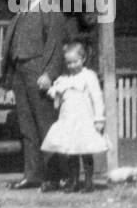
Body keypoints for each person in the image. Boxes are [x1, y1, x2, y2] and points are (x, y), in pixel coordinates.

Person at [1, 0, 68, 190]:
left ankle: (53, 176)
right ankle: (33, 175)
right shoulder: (19, 14)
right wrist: (9, 83)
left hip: (39, 74)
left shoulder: (50, 10)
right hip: (20, 75)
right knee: (27, 128)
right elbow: (11, 51)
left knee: (46, 125)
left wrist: (49, 74)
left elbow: (55, 45)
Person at [41, 39, 108, 192]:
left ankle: (89, 182)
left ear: (83, 59)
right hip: (68, 120)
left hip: (83, 120)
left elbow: (97, 97)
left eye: (75, 62)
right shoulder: (64, 79)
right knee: (71, 152)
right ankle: (73, 181)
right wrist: (50, 89)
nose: (71, 66)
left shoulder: (88, 76)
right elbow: (55, 94)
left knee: (85, 151)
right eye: (68, 63)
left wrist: (99, 119)